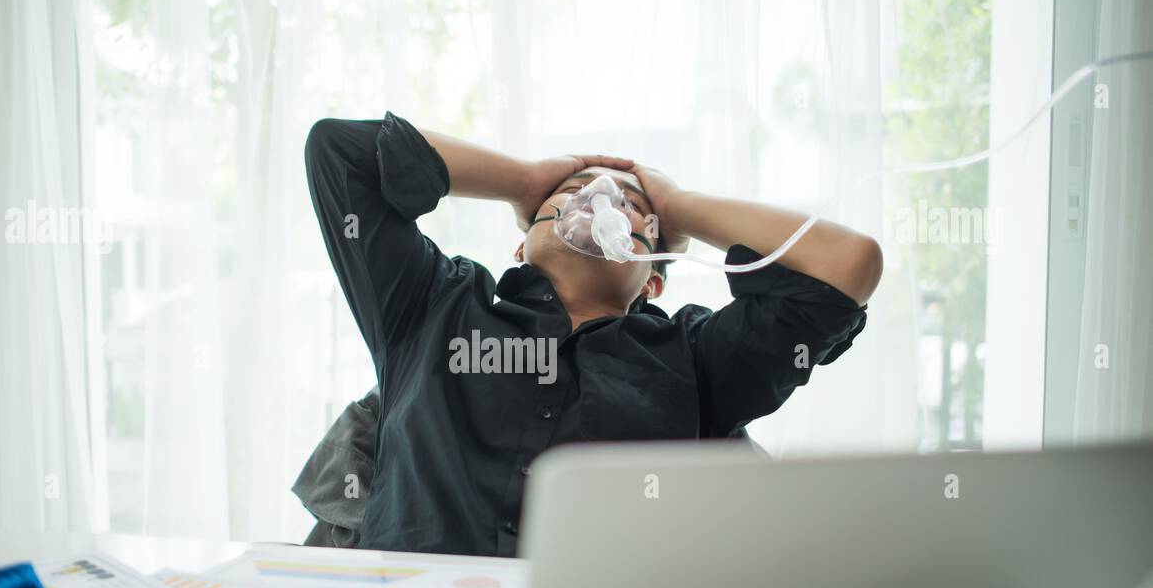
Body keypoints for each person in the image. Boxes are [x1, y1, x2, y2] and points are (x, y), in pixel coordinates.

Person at [304, 112, 881, 557]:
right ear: (521, 243)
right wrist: (522, 180)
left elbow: (847, 264)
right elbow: (339, 152)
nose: (597, 198)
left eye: (631, 206)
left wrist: (679, 207)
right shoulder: (434, 305)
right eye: (570, 191)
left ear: (654, 278)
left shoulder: (699, 359)